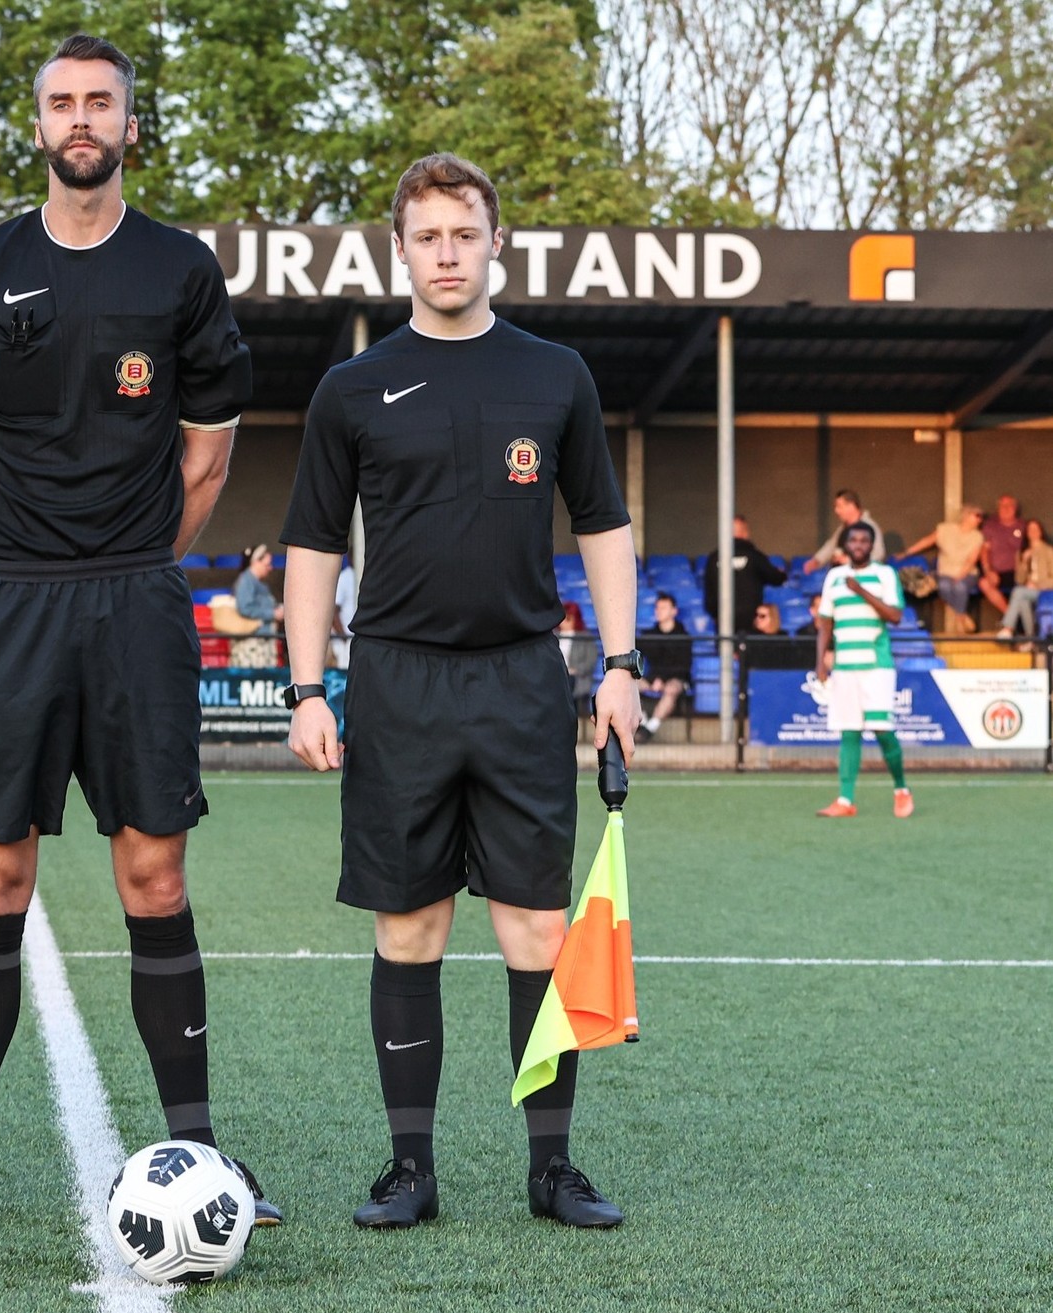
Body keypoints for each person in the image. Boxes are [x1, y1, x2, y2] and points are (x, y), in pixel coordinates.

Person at [0, 33, 275, 1228]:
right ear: (39, 125)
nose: (81, 118)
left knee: (153, 872)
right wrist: (14, 557)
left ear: (131, 125)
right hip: (10, 602)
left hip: (135, 600)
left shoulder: (179, 270)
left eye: (101, 100)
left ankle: (201, 1157)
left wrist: (135, 551)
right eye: (62, 101)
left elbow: (206, 451)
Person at [280, 151, 638, 1232]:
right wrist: (307, 685)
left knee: (536, 929)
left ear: (494, 244)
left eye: (463, 233)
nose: (446, 252)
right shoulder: (351, 387)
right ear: (401, 249)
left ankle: (551, 1163)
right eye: (426, 235)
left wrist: (618, 667)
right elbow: (307, 545)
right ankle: (409, 1167)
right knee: (411, 927)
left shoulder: (554, 375)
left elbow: (605, 527)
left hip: (525, 679)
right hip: (395, 682)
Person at [813, 522, 912, 819]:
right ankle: (845, 800)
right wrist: (820, 661)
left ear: (871, 545)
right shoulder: (833, 577)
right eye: (853, 540)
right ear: (845, 545)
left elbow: (895, 616)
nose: (858, 544)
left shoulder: (884, 574)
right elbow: (825, 622)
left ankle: (901, 789)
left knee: (882, 730)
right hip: (844, 667)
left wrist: (861, 591)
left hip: (876, 666)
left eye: (864, 540)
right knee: (850, 732)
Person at [906, 505, 984, 635]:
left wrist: (960, 576)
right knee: (943, 586)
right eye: (977, 516)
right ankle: (962, 616)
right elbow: (927, 541)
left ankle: (959, 621)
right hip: (945, 572)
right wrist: (907, 552)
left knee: (959, 587)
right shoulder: (946, 529)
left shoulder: (978, 536)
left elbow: (972, 560)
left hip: (967, 573)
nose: (979, 520)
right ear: (966, 516)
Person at [701, 515, 786, 634]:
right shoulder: (754, 556)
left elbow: (708, 592)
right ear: (745, 533)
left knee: (726, 651)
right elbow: (776, 578)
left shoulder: (714, 558)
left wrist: (715, 614)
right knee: (749, 651)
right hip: (750, 623)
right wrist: (781, 573)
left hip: (723, 622)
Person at [635, 592, 690, 742]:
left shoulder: (684, 636)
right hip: (653, 678)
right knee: (630, 685)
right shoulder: (649, 635)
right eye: (657, 608)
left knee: (672, 689)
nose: (659, 611)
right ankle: (644, 722)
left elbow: (683, 667)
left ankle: (651, 727)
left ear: (674, 611)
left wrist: (662, 680)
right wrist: (654, 680)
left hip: (676, 679)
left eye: (664, 608)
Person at [996, 518, 1051, 640]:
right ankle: (1031, 638)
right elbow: (1019, 580)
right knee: (1022, 599)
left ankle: (1008, 628)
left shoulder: (1049, 551)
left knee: (1018, 592)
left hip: (1045, 591)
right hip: (1027, 590)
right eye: (1030, 530)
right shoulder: (1021, 552)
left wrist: (1037, 584)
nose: (1033, 532)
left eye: (1035, 529)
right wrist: (1024, 563)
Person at [807, 490, 885, 570]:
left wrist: (853, 562)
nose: (836, 511)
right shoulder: (843, 528)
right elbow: (831, 545)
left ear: (851, 506)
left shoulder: (869, 527)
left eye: (839, 506)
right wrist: (817, 560)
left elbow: (878, 554)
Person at [978, 494, 1025, 621]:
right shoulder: (990, 526)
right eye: (1002, 506)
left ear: (1015, 508)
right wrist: (988, 571)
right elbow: (984, 550)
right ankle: (1012, 618)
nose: (1006, 508)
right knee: (984, 583)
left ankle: (1011, 621)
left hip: (1018, 573)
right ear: (998, 508)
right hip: (996, 572)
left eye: (1009, 505)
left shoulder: (1023, 526)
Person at [743, 602, 816, 670]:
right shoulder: (751, 638)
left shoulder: (782, 638)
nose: (758, 619)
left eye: (762, 616)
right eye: (756, 615)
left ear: (772, 617)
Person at [233, 543, 283, 630]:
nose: (270, 568)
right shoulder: (246, 581)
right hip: (255, 640)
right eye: (267, 564)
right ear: (256, 562)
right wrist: (273, 614)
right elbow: (245, 609)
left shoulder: (260, 583)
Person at [556, 601, 596, 710]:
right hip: (557, 676)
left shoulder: (585, 638)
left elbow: (590, 660)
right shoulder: (553, 636)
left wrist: (575, 670)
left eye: (568, 619)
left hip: (578, 678)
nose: (564, 622)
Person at [332, 558, 357, 669]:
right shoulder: (345, 577)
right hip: (346, 639)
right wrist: (344, 637)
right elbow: (334, 611)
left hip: (359, 639)